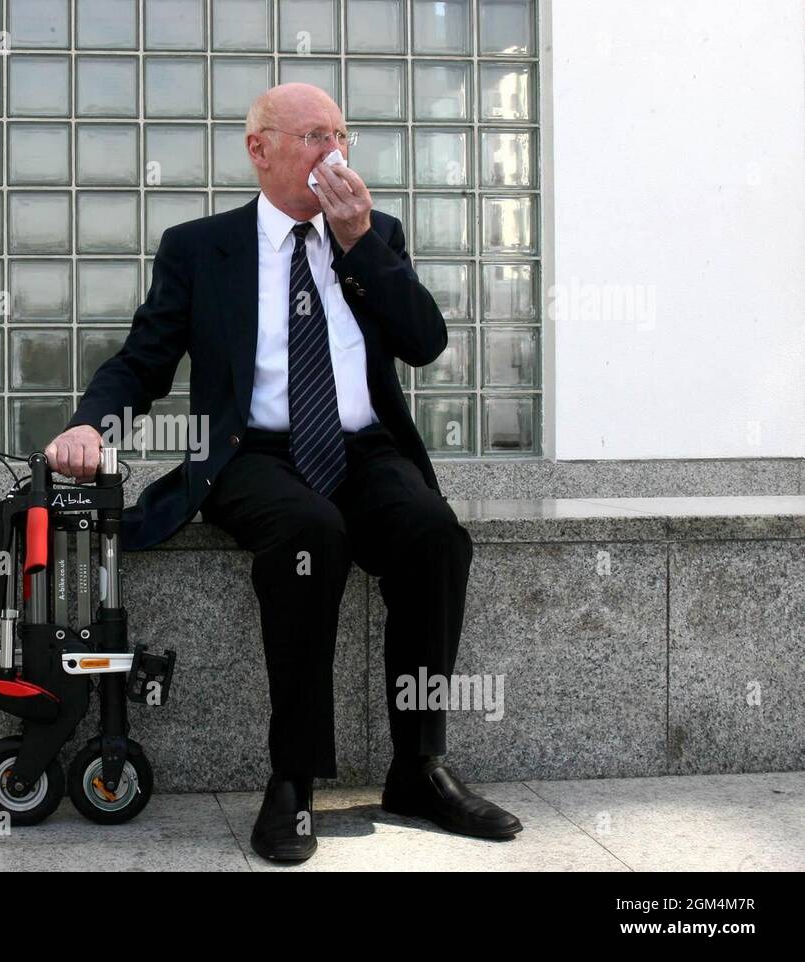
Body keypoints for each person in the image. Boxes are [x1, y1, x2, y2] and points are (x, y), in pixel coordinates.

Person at [45, 82, 522, 862]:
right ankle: (294, 779)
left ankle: (420, 766)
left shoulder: (375, 233)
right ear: (258, 148)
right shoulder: (200, 248)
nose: (331, 154)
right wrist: (86, 426)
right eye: (310, 138)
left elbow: (425, 342)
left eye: (339, 136)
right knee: (311, 536)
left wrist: (360, 240)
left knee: (436, 537)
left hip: (363, 448)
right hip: (251, 453)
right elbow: (145, 360)